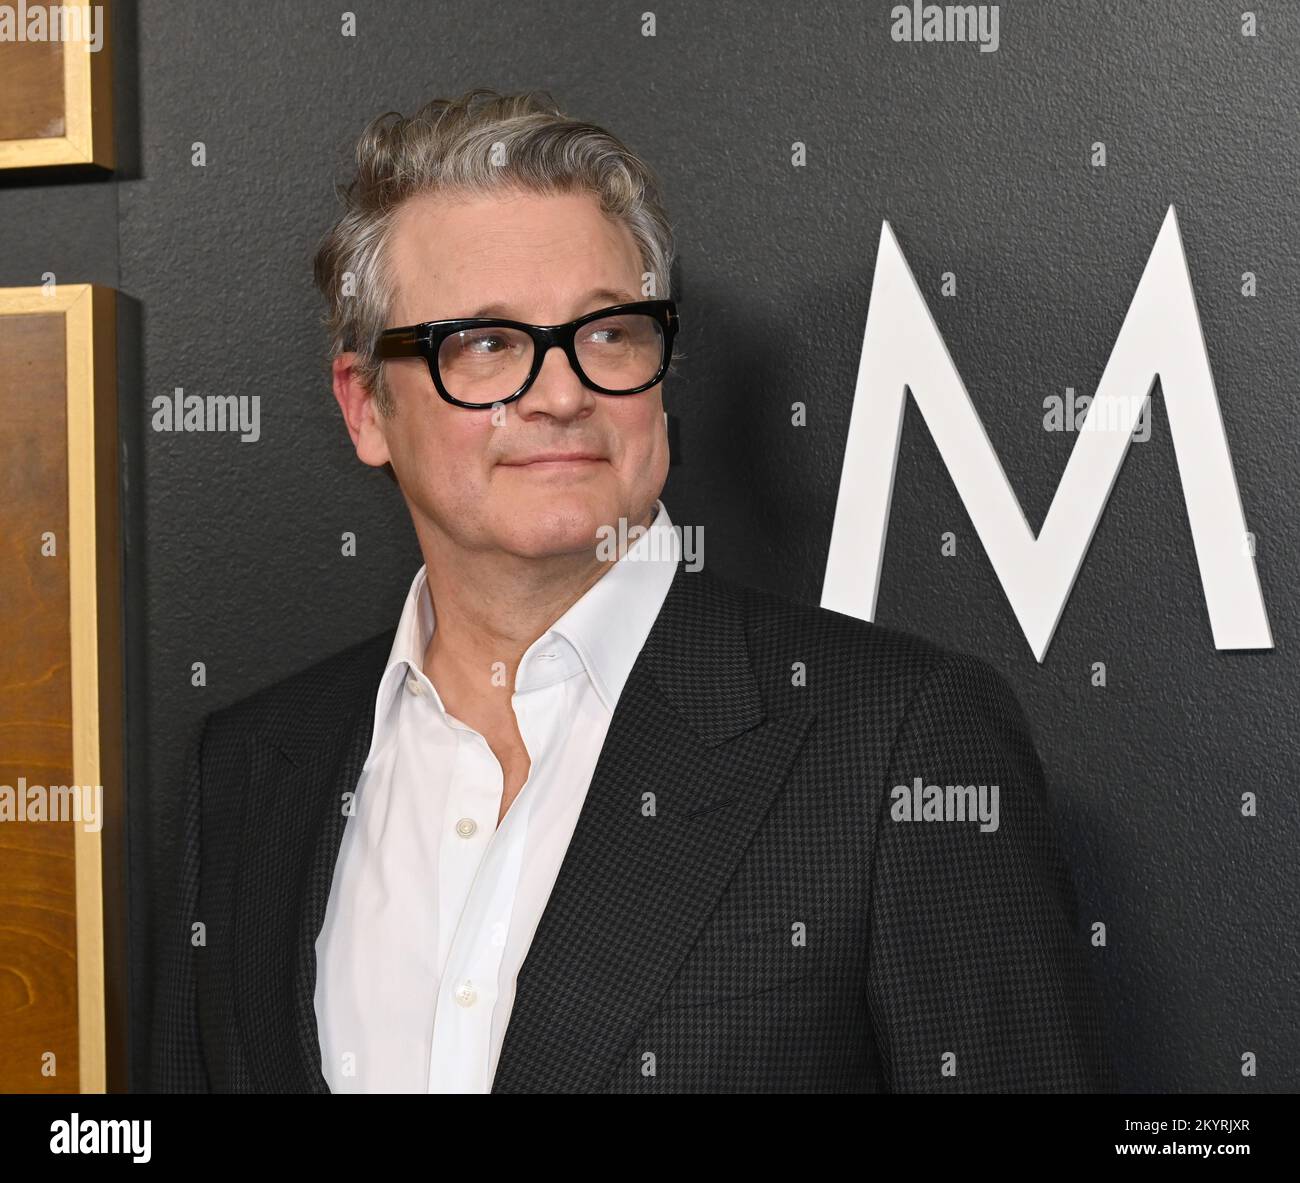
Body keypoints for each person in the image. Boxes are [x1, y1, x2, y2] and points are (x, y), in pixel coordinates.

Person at [151, 87, 1113, 1093]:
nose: (561, 393)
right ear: (365, 407)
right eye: (484, 344)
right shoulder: (249, 774)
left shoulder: (892, 744)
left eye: (608, 333)